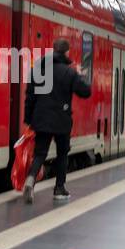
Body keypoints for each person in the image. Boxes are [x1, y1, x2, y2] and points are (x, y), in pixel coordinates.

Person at [23, 37, 91, 203]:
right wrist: (82, 76)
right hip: (61, 119)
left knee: (40, 153)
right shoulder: (69, 72)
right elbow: (85, 92)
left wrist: (29, 119)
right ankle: (59, 189)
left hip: (41, 119)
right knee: (62, 154)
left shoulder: (39, 70)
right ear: (66, 52)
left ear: (53, 50)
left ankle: (31, 179)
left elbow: (30, 96)